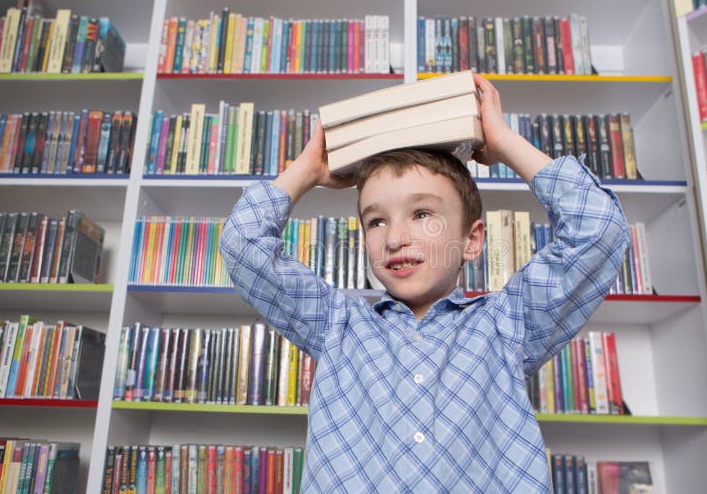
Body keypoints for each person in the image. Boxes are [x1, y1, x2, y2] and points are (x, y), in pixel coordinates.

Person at [219, 74, 630, 492]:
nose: (395, 239)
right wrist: (307, 171)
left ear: (472, 241)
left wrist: (504, 143)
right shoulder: (336, 326)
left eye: (422, 215)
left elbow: (598, 229)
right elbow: (243, 244)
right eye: (376, 221)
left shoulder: (508, 325)